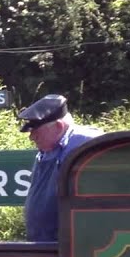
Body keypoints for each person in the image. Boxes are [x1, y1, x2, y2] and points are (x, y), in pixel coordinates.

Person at [18, 94, 103, 241]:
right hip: (45, 242)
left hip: (74, 244)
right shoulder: (45, 151)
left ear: (58, 127)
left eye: (36, 131)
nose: (32, 137)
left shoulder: (86, 145)